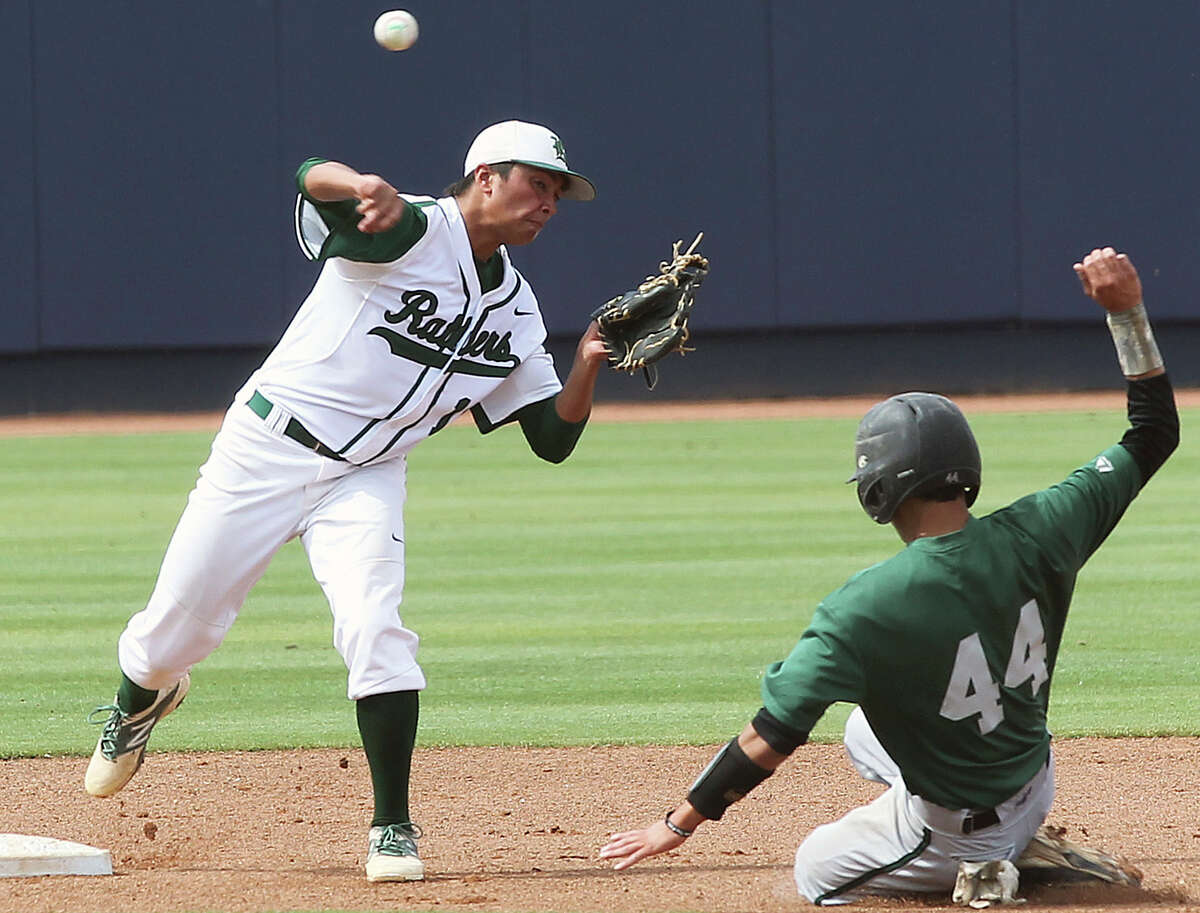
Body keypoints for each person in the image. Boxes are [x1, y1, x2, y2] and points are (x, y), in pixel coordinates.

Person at [85, 120, 610, 883]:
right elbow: (306, 174)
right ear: (487, 176)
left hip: (367, 476)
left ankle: (391, 825)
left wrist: (591, 359)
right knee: (170, 636)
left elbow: (551, 439)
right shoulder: (408, 228)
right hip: (267, 448)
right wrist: (355, 183)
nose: (549, 203)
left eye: (558, 192)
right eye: (539, 183)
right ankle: (142, 697)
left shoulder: (518, 310)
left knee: (376, 627)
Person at [600, 247, 1178, 904]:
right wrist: (1127, 310)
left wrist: (676, 822)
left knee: (815, 868)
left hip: (958, 832)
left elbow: (773, 734)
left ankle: (997, 869)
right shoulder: (1043, 526)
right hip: (1031, 773)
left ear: (878, 488)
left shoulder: (864, 607)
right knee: (860, 730)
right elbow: (1153, 431)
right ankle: (1020, 840)